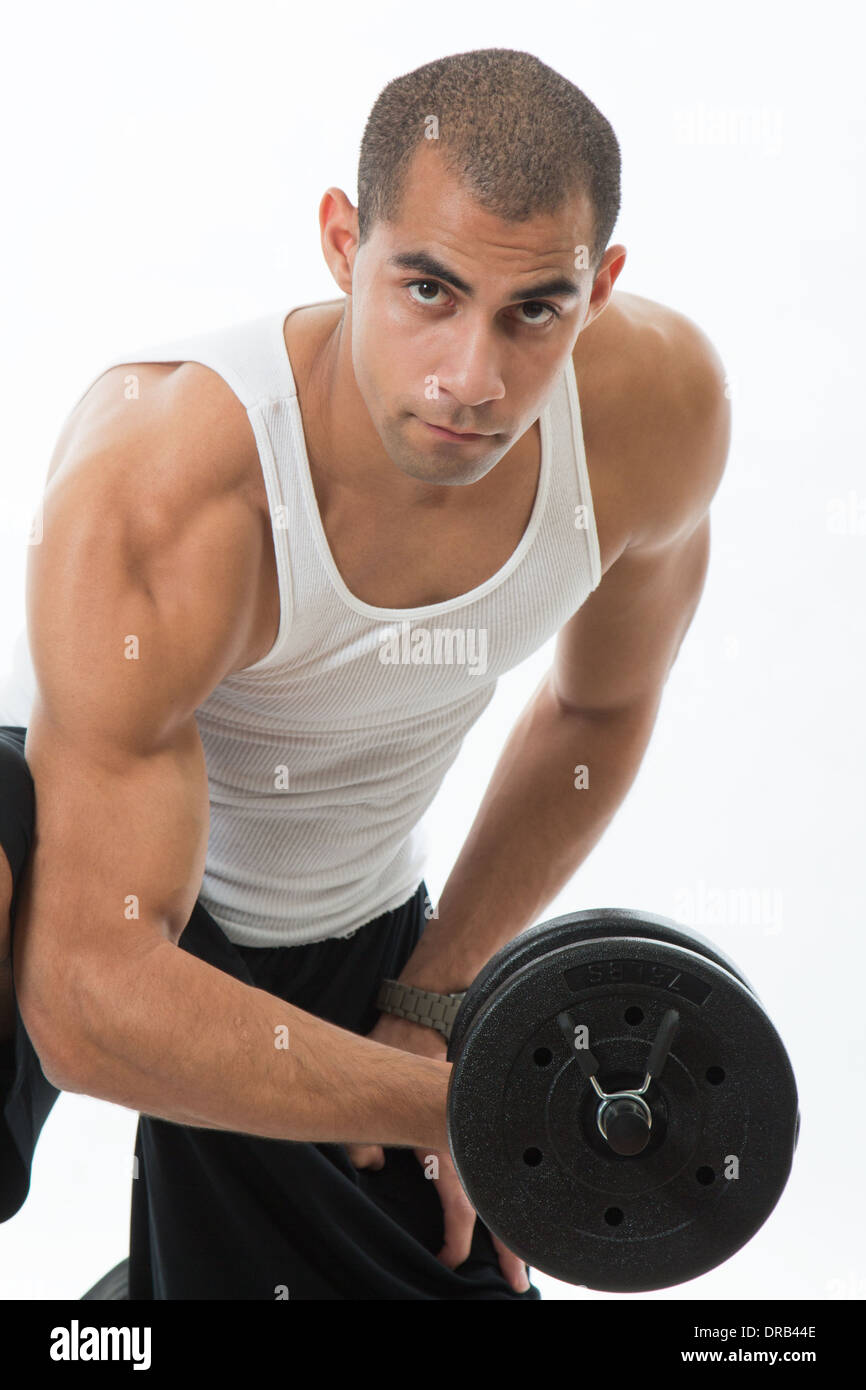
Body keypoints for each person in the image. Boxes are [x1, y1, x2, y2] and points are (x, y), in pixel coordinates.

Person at [0, 47, 730, 1299]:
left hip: (343, 924)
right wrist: (478, 1109)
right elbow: (86, 994)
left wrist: (435, 1002)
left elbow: (598, 709)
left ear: (599, 287)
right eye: (428, 290)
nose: (471, 379)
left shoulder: (652, 415)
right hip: (69, 894)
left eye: (532, 311)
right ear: (344, 243)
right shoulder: (173, 477)